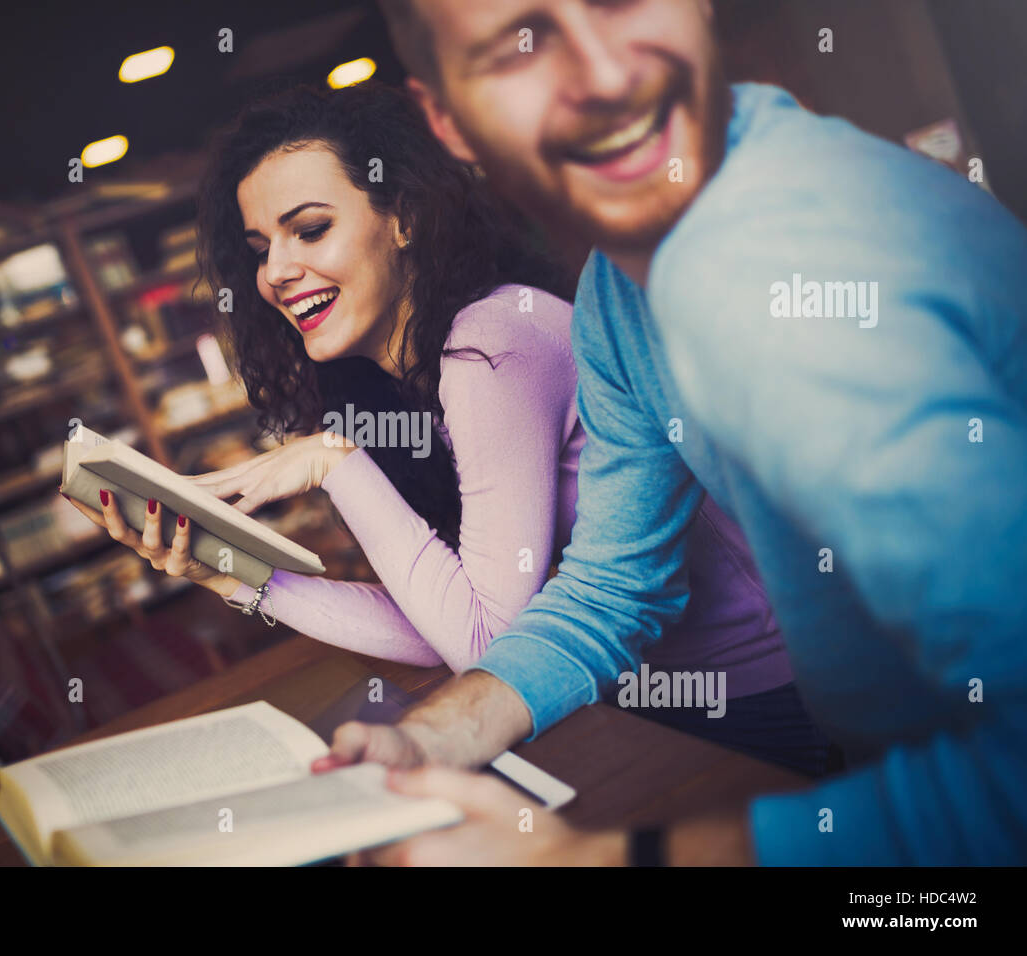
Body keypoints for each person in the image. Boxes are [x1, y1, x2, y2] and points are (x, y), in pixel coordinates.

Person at [324, 0, 1027, 865]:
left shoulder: (776, 263)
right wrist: (431, 736)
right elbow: (614, 584)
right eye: (518, 46)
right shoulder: (616, 296)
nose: (608, 76)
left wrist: (583, 862)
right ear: (447, 120)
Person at [63, 80, 830, 773]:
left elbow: (483, 651)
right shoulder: (398, 384)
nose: (275, 272)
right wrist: (239, 576)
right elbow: (452, 623)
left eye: (309, 229)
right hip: (644, 709)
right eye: (262, 249)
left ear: (401, 219)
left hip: (768, 709)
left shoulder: (491, 343)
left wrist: (336, 463)